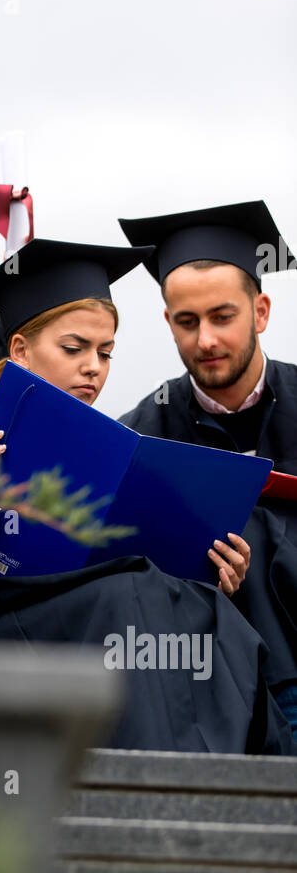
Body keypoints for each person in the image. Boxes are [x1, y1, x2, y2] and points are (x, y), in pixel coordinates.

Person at [0, 238, 295, 755]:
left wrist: (216, 569)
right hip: (2, 618)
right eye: (74, 348)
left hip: (93, 608)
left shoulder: (107, 444)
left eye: (105, 353)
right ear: (19, 349)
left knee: (204, 608)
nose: (94, 367)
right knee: (133, 594)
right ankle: (158, 781)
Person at [118, 202, 297, 731]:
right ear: (167, 321)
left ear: (260, 311)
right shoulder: (142, 433)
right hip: (201, 694)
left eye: (223, 317)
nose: (206, 341)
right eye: (187, 322)